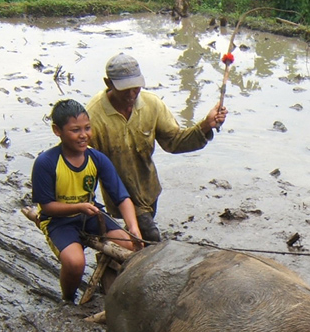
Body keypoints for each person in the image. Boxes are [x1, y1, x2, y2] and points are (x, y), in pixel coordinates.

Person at [87, 52, 227, 242]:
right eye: (125, 89)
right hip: (118, 193)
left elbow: (174, 142)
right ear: (108, 83)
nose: (132, 94)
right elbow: (84, 164)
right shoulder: (93, 116)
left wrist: (205, 125)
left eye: (136, 87)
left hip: (149, 189)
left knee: (139, 235)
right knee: (150, 234)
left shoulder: (151, 105)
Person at [31, 99, 142, 303]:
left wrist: (133, 227)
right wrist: (79, 207)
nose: (83, 135)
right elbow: (47, 206)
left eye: (87, 128)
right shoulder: (46, 163)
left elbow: (122, 197)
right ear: (57, 131)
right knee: (75, 263)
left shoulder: (97, 159)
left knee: (130, 247)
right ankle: (68, 300)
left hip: (91, 215)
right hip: (58, 220)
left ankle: (114, 288)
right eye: (75, 130)